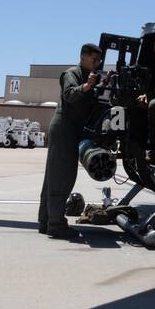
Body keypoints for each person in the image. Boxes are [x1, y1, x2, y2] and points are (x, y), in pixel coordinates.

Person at [39, 43, 104, 238]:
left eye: (99, 60)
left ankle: (46, 221)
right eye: (94, 60)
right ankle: (56, 224)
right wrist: (88, 86)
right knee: (62, 176)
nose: (97, 63)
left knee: (53, 178)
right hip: (64, 129)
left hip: (70, 130)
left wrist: (98, 84)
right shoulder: (71, 74)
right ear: (83, 57)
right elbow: (69, 95)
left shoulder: (89, 76)